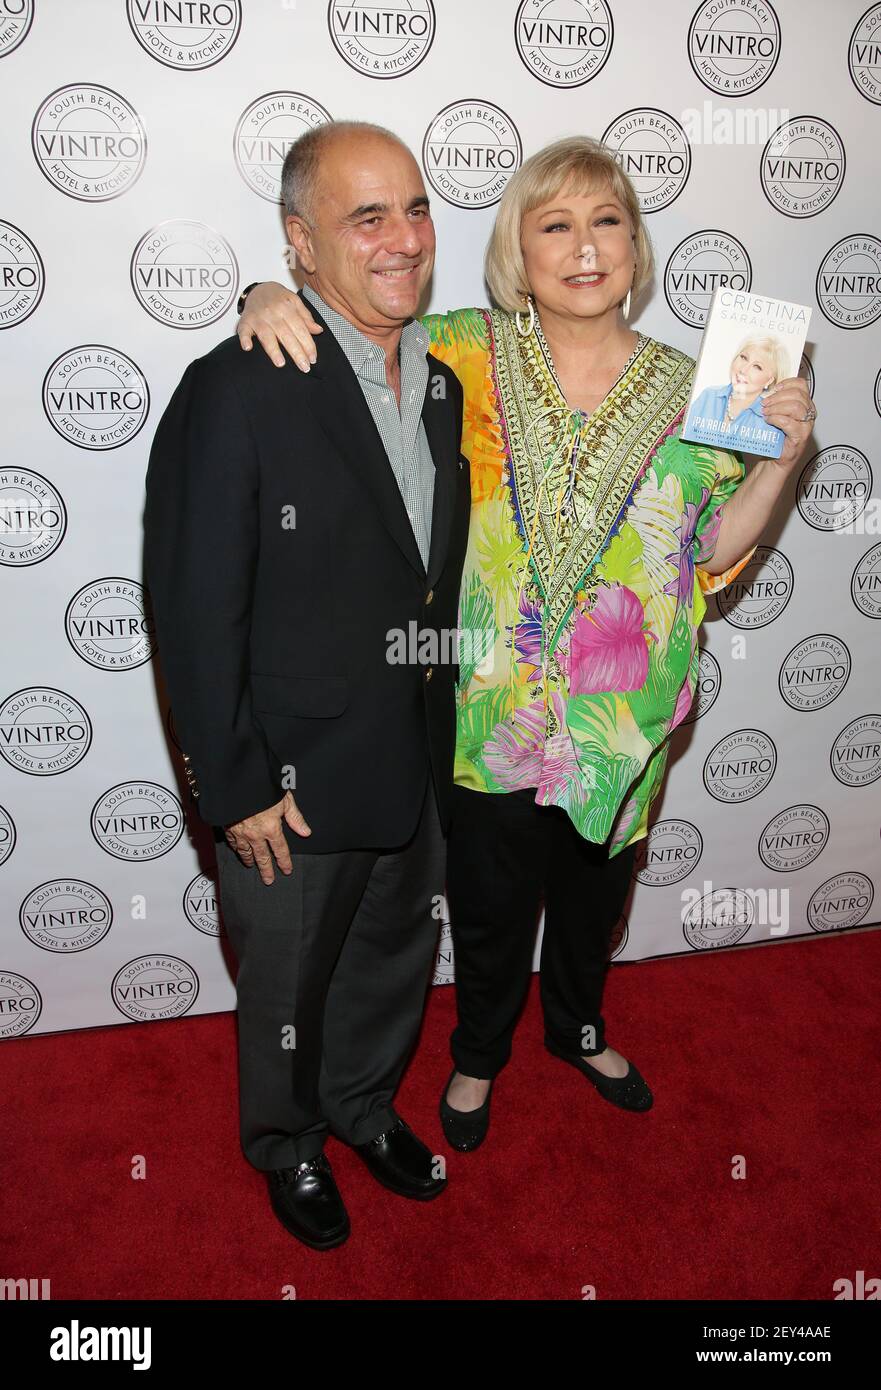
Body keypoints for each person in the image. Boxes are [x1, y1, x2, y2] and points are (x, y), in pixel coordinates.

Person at [235, 134, 818, 1152]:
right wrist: (264, 294)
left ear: (634, 247)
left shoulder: (705, 393)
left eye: (606, 223)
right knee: (489, 903)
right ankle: (478, 1052)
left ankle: (579, 1028)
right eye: (555, 225)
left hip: (624, 717)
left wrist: (779, 462)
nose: (584, 248)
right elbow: (348, 333)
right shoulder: (457, 350)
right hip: (487, 709)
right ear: (517, 247)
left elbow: (711, 550)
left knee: (594, 899)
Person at [143, 121, 470, 1248]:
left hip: (415, 750)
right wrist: (232, 787)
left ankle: (362, 1105)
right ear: (300, 240)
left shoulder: (446, 380)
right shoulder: (237, 385)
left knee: (389, 960)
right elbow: (192, 605)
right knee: (284, 984)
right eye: (365, 217)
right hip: (289, 776)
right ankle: (287, 1143)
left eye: (415, 209)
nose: (403, 238)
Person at [688, 334, 791, 450]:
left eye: (757, 367)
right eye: (744, 357)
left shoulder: (769, 420)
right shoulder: (709, 395)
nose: (743, 370)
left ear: (770, 380)